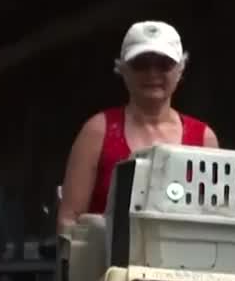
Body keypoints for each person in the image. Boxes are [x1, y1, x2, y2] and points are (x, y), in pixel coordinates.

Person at [56, 20, 219, 233]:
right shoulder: (97, 131)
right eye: (141, 63)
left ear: (180, 69)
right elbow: (68, 221)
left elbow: (215, 221)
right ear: (122, 69)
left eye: (164, 64)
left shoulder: (204, 138)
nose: (152, 73)